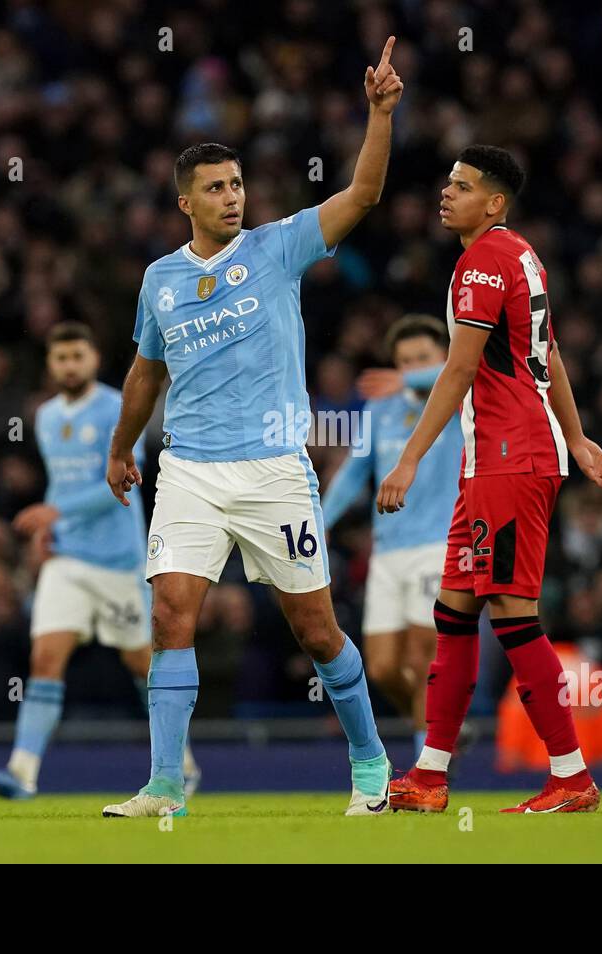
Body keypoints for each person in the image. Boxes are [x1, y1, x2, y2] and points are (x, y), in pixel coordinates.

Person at [102, 38, 404, 818]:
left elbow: (364, 194)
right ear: (186, 203)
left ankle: (370, 759)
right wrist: (120, 447)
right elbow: (145, 373)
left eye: (237, 184)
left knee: (316, 629)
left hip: (273, 468)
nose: (233, 196)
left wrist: (379, 114)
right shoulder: (159, 281)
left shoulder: (278, 248)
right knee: (171, 613)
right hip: (191, 470)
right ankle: (166, 784)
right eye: (215, 188)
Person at [377, 145, 602, 814]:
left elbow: (457, 371)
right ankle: (429, 776)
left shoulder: (481, 261)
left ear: (494, 202)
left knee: (513, 615)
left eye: (461, 186)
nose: (445, 194)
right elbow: (551, 354)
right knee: (454, 612)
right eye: (447, 183)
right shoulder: (521, 254)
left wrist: (409, 458)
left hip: (509, 458)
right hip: (499, 457)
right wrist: (575, 436)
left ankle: (572, 775)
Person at [0, 322, 198, 799]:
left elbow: (128, 477)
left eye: (77, 356)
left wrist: (56, 511)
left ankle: (184, 764)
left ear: (94, 360)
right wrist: (51, 528)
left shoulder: (117, 406)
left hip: (117, 561)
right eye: (60, 358)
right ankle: (23, 773)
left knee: (142, 665)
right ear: (50, 365)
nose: (69, 365)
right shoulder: (46, 416)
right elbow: (62, 484)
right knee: (46, 659)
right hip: (68, 560)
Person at [322, 315, 462, 760]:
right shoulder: (381, 409)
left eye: (422, 358)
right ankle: (443, 736)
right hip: (388, 552)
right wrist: (319, 522)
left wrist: (409, 377)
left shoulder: (460, 398)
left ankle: (430, 765)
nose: (411, 367)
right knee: (382, 668)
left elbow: (467, 365)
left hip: (440, 544)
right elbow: (353, 473)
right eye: (403, 360)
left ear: (442, 357)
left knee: (422, 661)